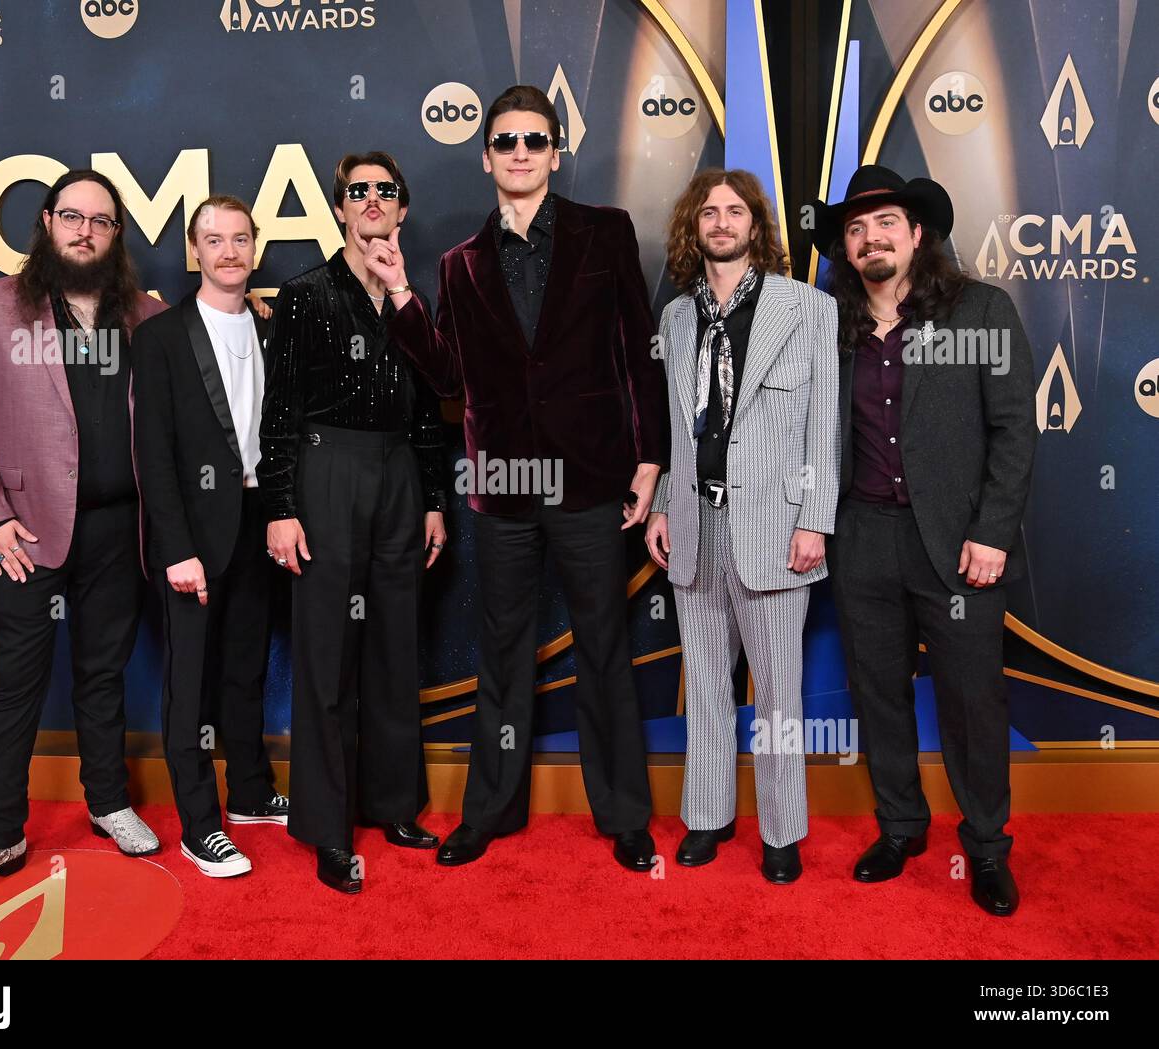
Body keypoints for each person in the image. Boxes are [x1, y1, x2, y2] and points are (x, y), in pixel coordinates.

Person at [364, 85, 670, 871]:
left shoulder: (606, 234)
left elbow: (640, 352)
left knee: (604, 644)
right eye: (506, 141)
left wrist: (650, 457)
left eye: (535, 139)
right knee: (502, 652)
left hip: (592, 478)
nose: (522, 151)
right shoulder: (459, 264)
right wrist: (401, 292)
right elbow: (445, 375)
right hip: (503, 486)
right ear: (488, 156)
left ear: (556, 151)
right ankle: (489, 811)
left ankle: (625, 814)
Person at [811, 164, 1036, 916]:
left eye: (884, 223)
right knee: (877, 693)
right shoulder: (830, 326)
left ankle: (987, 846)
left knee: (974, 699)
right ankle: (901, 827)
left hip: (959, 542)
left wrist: (993, 533)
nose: (870, 237)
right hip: (863, 536)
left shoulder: (980, 312)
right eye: (855, 228)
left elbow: (1013, 429)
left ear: (916, 234)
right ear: (844, 247)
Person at [0, 169, 165, 904]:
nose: (85, 230)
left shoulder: (148, 315)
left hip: (117, 527)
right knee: (15, 687)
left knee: (104, 674)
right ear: (46, 221)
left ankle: (108, 801)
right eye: (73, 216)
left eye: (101, 220)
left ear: (116, 233)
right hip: (24, 533)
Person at [261, 152, 447, 894]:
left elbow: (433, 402)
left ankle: (396, 804)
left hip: (400, 476)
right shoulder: (305, 296)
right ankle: (328, 827)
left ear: (401, 209)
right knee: (327, 658)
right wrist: (279, 506)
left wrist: (433, 495)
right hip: (324, 474)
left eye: (386, 191)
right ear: (340, 207)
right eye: (357, 191)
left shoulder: (413, 298)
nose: (372, 200)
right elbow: (278, 411)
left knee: (396, 649)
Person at [646, 169, 838, 883]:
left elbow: (824, 430)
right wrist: (665, 501)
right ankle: (708, 814)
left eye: (735, 211)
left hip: (777, 528)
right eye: (708, 212)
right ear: (693, 228)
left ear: (756, 226)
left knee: (778, 694)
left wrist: (815, 519)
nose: (721, 222)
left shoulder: (806, 309)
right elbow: (676, 429)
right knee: (705, 684)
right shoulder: (675, 318)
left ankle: (783, 831)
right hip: (698, 525)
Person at [132, 195, 289, 879]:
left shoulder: (271, 327)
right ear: (195, 251)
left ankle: (251, 791)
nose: (229, 250)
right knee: (190, 682)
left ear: (254, 247)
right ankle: (201, 824)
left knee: (245, 666)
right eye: (214, 239)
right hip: (192, 533)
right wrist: (175, 548)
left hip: (257, 522)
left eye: (240, 238)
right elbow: (154, 453)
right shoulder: (162, 336)